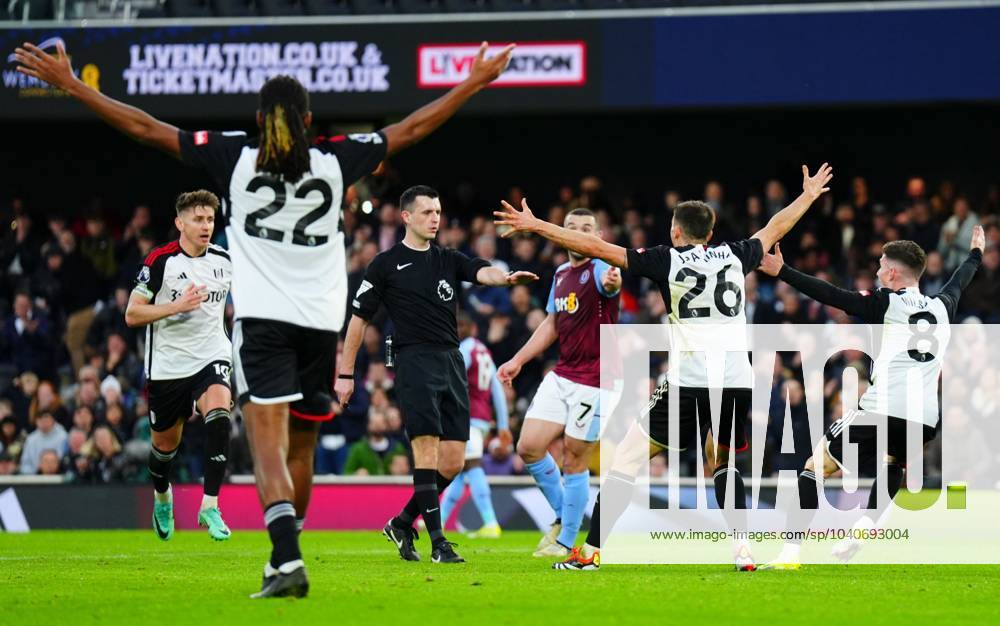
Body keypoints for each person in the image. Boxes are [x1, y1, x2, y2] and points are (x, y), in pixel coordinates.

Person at [16, 38, 516, 598]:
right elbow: (414, 129)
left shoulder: (234, 157)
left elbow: (145, 128)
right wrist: (474, 81)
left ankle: (285, 558)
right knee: (300, 450)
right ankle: (285, 557)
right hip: (319, 324)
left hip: (264, 326)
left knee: (268, 448)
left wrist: (75, 85)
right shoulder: (334, 160)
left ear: (258, 119)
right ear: (307, 120)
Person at [495, 163, 833, 571]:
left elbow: (593, 249)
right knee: (721, 461)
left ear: (675, 232)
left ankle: (592, 551)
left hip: (689, 381)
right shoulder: (736, 254)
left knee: (629, 458)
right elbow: (776, 226)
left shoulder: (664, 261)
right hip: (735, 380)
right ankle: (742, 549)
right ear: (710, 234)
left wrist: (537, 225)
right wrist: (810, 195)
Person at [757, 226, 985, 569]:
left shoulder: (886, 302)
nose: (877, 271)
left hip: (882, 407)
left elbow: (832, 295)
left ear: (892, 273)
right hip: (924, 416)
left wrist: (784, 272)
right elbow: (960, 280)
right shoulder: (943, 306)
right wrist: (976, 254)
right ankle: (863, 527)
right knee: (894, 463)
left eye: (881, 265)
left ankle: (790, 552)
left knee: (814, 467)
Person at [337, 185, 537, 564]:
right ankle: (439, 543)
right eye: (427, 212)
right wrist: (345, 374)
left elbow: (481, 271)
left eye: (438, 211)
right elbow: (359, 320)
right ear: (406, 217)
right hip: (414, 363)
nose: (435, 218)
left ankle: (401, 522)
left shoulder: (447, 258)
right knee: (426, 452)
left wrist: (507, 279)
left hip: (451, 361)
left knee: (452, 461)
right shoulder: (385, 264)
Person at [495, 208, 622, 558]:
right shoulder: (563, 273)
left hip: (596, 379)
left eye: (586, 228)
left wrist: (614, 284)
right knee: (529, 446)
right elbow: (552, 324)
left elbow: (613, 282)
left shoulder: (601, 268)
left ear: (597, 235)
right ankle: (565, 512)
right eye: (572, 228)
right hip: (564, 373)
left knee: (574, 457)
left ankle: (566, 540)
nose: (579, 234)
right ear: (563, 233)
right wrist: (518, 359)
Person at [125, 190, 234, 543]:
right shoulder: (160, 261)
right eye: (198, 219)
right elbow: (132, 314)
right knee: (164, 453)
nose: (205, 226)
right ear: (180, 223)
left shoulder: (224, 261)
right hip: (168, 368)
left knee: (220, 414)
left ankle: (210, 505)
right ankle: (163, 496)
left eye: (210, 220)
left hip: (211, 356)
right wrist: (177, 306)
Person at [438, 312, 512, 538]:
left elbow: (452, 379)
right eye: (456, 325)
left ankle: (491, 522)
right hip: (480, 417)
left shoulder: (463, 350)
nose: (458, 329)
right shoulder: (484, 353)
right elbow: (497, 391)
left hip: (467, 416)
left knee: (472, 465)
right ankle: (438, 521)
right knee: (459, 470)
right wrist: (503, 425)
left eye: (462, 325)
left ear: (472, 328)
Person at [19, 410, 67, 475]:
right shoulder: (31, 439)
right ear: (37, 422)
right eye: (41, 421)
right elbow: (25, 463)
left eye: (47, 420)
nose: (44, 423)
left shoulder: (63, 436)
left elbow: (65, 459)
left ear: (53, 421)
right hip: (35, 476)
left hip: (59, 474)